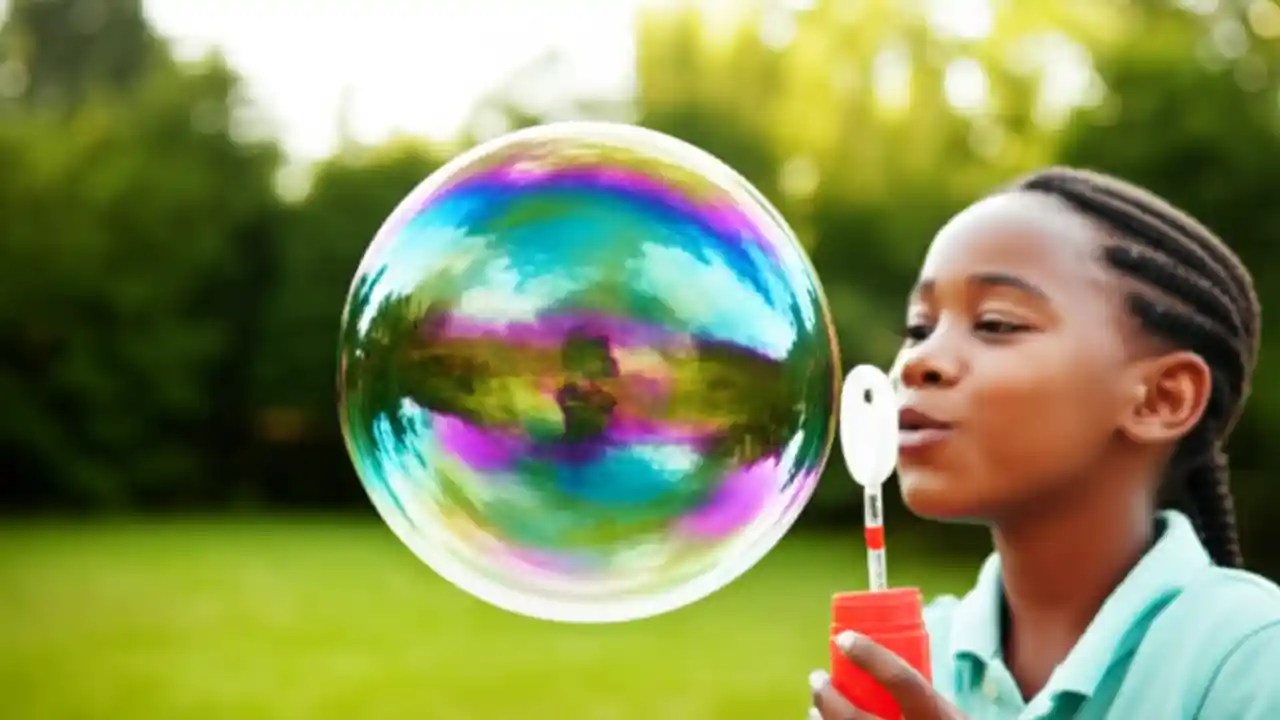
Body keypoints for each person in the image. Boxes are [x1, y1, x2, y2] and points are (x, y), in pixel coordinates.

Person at [807, 167, 1280, 719]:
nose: (919, 361)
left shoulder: (1252, 658)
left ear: (1161, 398)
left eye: (996, 323)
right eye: (919, 329)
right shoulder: (917, 654)